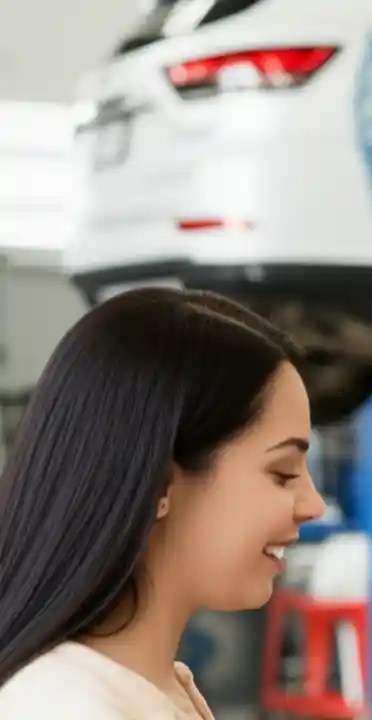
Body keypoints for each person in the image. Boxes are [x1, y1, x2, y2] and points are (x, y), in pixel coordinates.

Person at [0, 287, 327, 719]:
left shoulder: (151, 689)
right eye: (282, 472)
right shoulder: (70, 706)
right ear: (160, 487)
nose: (313, 504)